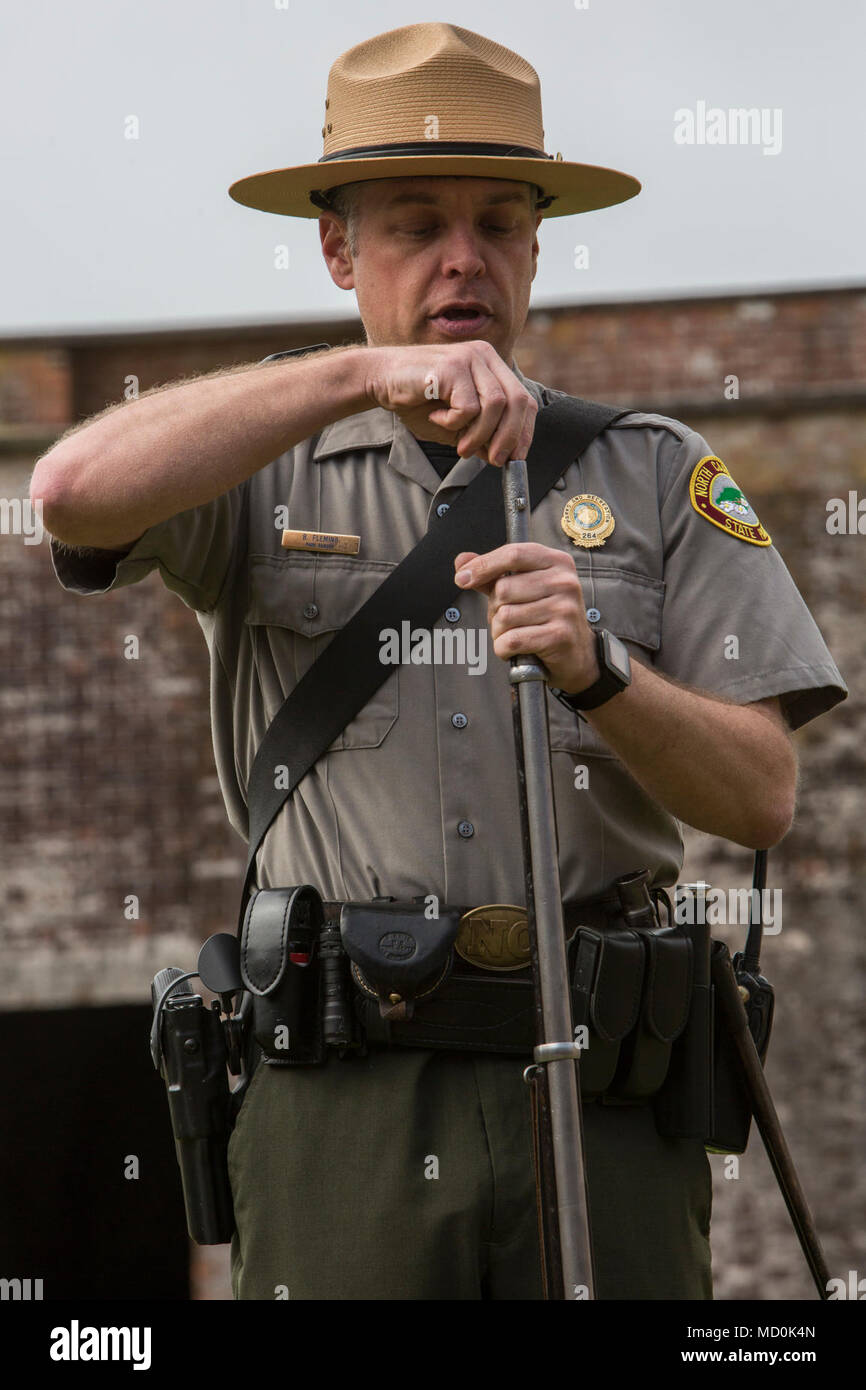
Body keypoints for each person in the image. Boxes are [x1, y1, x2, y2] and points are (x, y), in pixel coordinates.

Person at [32, 21, 846, 1300]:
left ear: (534, 246)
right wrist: (356, 373)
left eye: (497, 220)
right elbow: (71, 491)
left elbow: (759, 796)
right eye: (414, 223)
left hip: (604, 1089)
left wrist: (601, 671)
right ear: (338, 248)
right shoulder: (261, 469)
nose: (462, 258)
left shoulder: (654, 470)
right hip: (346, 1098)